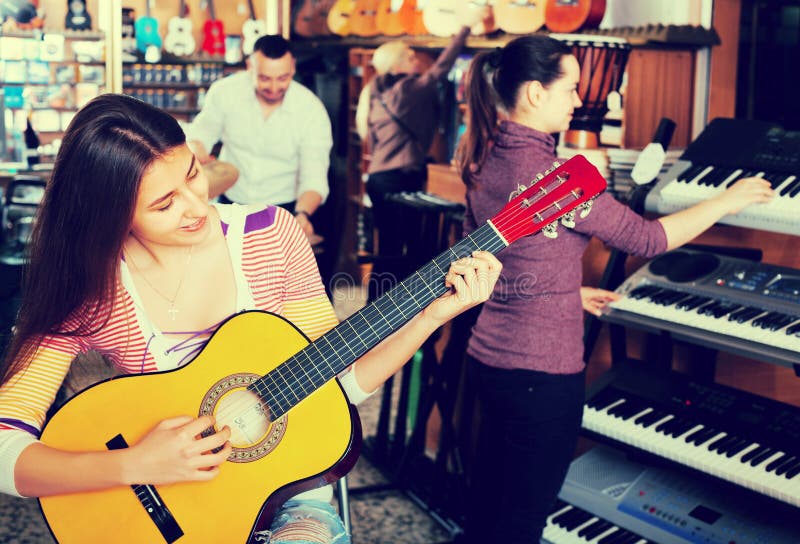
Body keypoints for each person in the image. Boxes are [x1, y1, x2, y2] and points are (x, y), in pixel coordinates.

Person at [0, 94, 502, 544]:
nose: (197, 207)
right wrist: (135, 464)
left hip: (289, 496)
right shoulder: (91, 285)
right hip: (173, 510)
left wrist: (432, 315)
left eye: (192, 174)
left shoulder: (271, 237)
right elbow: (5, 448)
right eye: (164, 204)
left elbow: (341, 384)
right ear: (111, 217)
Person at [454, 35, 774, 543]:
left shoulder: (483, 158)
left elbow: (496, 259)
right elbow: (647, 239)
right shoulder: (557, 179)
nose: (578, 100)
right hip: (541, 374)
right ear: (535, 93)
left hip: (490, 360)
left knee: (488, 506)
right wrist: (725, 201)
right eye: (571, 88)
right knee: (521, 523)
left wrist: (566, 293)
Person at [354, 6, 488, 258]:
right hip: (399, 179)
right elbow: (440, 69)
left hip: (379, 178)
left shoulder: (376, 91)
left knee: (388, 248)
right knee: (409, 249)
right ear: (397, 63)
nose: (415, 60)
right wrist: (465, 28)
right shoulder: (406, 91)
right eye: (409, 57)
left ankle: (381, 285)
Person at [186, 34, 331, 236]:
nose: (274, 88)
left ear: (293, 68)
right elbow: (201, 133)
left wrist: (303, 214)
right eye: (264, 78)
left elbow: (314, 177)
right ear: (250, 67)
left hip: (282, 209)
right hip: (229, 204)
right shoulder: (224, 92)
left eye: (283, 78)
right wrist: (196, 148)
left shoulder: (311, 110)